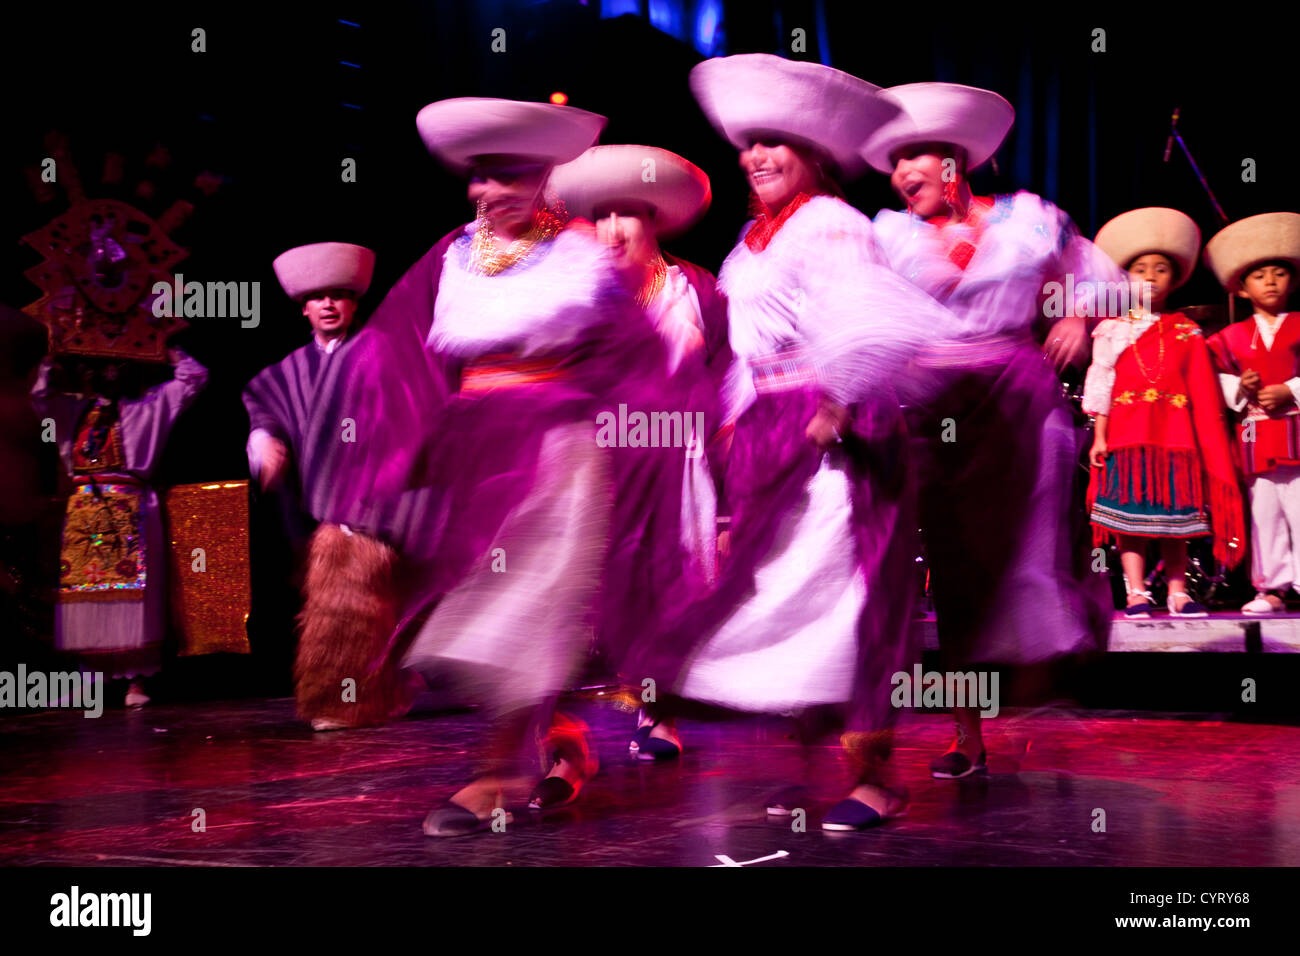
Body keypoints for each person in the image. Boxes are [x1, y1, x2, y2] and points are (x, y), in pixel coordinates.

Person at [312, 96, 694, 836]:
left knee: (521, 614)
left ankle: (500, 773)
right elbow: (394, 351)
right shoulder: (452, 255)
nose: (486, 193)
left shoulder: (582, 256)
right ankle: (553, 743)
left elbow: (640, 363)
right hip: (477, 455)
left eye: (505, 177)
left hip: (557, 455)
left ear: (543, 177)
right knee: (468, 619)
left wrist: (641, 434)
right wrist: (381, 456)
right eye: (478, 178)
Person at [622, 54, 963, 830]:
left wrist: (839, 397)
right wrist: (733, 427)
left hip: (836, 431)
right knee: (776, 594)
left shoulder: (834, 222)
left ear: (814, 153)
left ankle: (875, 778)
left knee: (840, 598)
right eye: (749, 142)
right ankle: (815, 769)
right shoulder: (749, 242)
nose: (757, 156)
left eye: (775, 140)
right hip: (772, 431)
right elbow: (746, 353)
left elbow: (875, 319)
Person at [864, 82, 1123, 779]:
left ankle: (1045, 680)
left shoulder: (1029, 221)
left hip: (1019, 403)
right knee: (955, 573)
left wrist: (1074, 314)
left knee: (1032, 551)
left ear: (953, 161)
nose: (902, 173)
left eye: (915, 155)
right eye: (894, 162)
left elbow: (1101, 276)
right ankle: (966, 734)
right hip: (938, 416)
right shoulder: (888, 237)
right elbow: (857, 315)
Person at [549, 143, 730, 760]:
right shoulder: (583, 299)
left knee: (670, 582)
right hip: (605, 462)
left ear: (654, 221)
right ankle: (560, 728)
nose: (612, 229)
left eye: (626, 214)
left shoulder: (696, 289)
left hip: (678, 466)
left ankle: (662, 713)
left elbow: (729, 374)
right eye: (600, 215)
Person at [242, 242, 396, 729]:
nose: (329, 305)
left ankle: (343, 702)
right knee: (333, 601)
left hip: (374, 504)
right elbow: (264, 408)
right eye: (319, 297)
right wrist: (262, 441)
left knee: (357, 604)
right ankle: (374, 692)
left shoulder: (382, 356)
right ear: (303, 307)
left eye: (339, 295)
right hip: (311, 508)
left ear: (354, 304)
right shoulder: (285, 373)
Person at [1084, 207, 1245, 616]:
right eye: (1140, 269)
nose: (1150, 276)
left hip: (1174, 442)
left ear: (1174, 279)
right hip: (1125, 438)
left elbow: (1205, 394)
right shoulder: (1112, 329)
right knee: (1127, 524)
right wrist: (1100, 437)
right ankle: (1136, 590)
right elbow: (1101, 384)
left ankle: (1178, 592)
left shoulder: (1186, 332)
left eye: (1160, 269)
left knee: (1176, 523)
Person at [31, 344, 208, 706]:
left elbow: (195, 377)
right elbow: (40, 397)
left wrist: (161, 343)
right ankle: (90, 675)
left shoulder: (150, 405)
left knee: (134, 593)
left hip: (130, 504)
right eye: (103, 368)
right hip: (84, 506)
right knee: (85, 593)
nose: (110, 375)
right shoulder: (74, 409)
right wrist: (50, 357)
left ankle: (136, 682)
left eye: (119, 367)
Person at [1204, 213, 1300, 613]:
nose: (1272, 281)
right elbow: (1210, 377)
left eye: (1279, 273)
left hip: (1296, 429)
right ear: (1241, 290)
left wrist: (1291, 390)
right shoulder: (1229, 337)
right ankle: (1271, 588)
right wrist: (1238, 389)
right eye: (1260, 276)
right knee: (1265, 514)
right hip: (1254, 437)